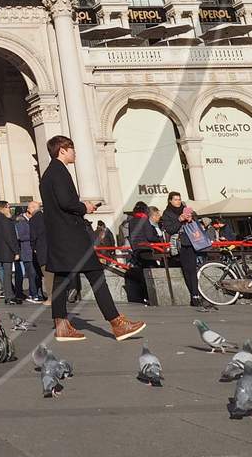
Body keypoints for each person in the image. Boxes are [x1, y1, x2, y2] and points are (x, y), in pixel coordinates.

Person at [41, 134, 143, 342]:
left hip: (59, 236)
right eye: (71, 148)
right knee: (96, 275)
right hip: (72, 236)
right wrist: (84, 207)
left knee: (61, 278)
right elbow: (66, 202)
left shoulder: (49, 173)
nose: (75, 152)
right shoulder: (60, 172)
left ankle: (61, 325)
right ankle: (117, 323)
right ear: (62, 150)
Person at [159, 192, 205, 307]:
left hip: (192, 242)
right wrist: (179, 219)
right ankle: (193, 295)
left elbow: (197, 223)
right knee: (187, 269)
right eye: (175, 199)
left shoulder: (186, 209)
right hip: (180, 244)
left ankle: (196, 295)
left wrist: (190, 219)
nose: (178, 201)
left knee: (193, 269)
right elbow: (169, 229)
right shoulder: (167, 213)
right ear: (170, 200)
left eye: (179, 199)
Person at [123, 201, 158, 305]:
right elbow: (149, 236)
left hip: (136, 250)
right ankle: (151, 296)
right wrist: (158, 239)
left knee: (142, 273)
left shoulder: (132, 221)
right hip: (145, 249)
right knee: (152, 271)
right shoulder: (144, 219)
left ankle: (144, 296)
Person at [0, 201, 20, 304]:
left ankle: (8, 295)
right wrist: (16, 251)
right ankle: (10, 296)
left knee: (5, 274)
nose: (10, 209)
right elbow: (10, 237)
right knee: (7, 274)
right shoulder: (4, 220)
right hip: (7, 250)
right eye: (8, 207)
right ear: (4, 208)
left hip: (1, 250)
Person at [27, 200, 49, 302]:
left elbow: (33, 236)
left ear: (34, 208)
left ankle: (51, 298)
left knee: (46, 274)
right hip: (50, 249)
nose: (28, 210)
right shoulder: (46, 217)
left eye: (29, 208)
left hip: (41, 250)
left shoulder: (33, 220)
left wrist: (33, 247)